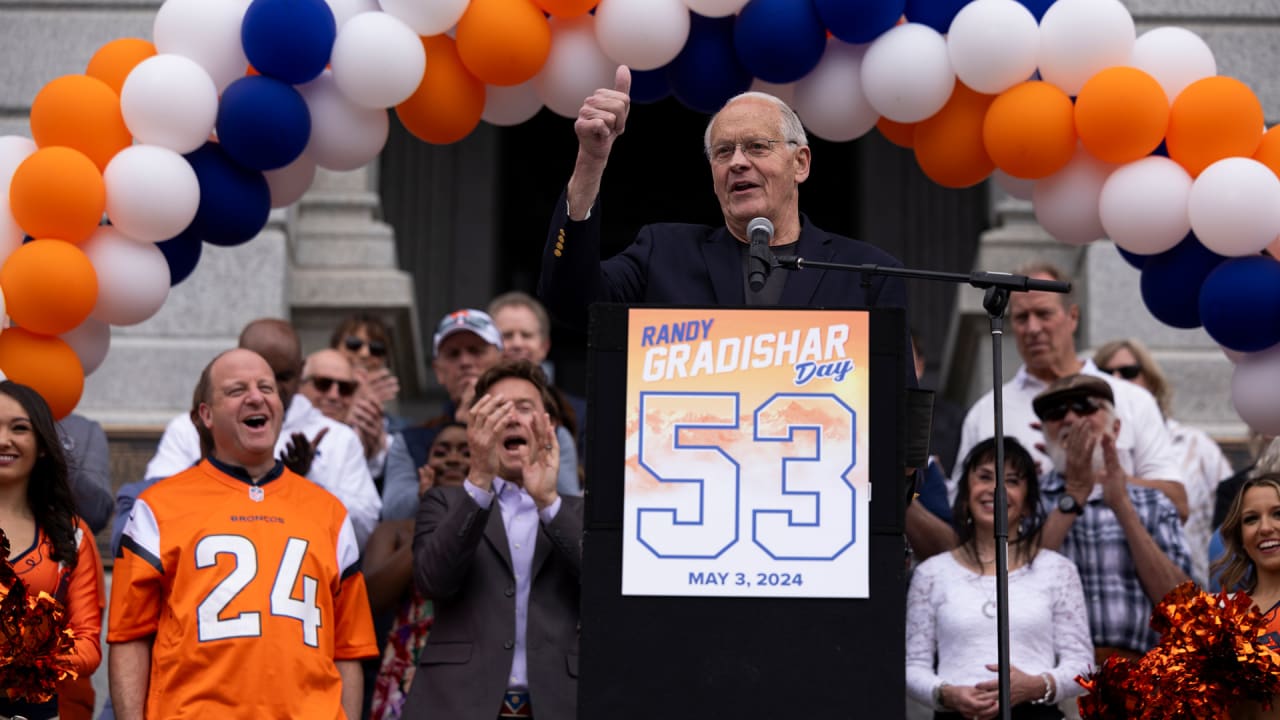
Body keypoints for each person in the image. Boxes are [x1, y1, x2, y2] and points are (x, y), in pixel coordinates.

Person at [538, 68, 914, 364]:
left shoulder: (867, 274)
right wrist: (591, 161)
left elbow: (899, 428)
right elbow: (571, 300)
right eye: (722, 152)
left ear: (800, 163)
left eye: (756, 147)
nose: (737, 162)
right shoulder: (664, 254)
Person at [108, 349, 379, 719]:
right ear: (205, 415)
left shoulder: (329, 512)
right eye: (236, 390)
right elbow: (129, 636)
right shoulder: (157, 507)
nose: (256, 397)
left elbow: (349, 649)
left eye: (266, 387)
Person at [404, 360, 582, 720]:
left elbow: (609, 587)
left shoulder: (579, 512)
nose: (511, 418)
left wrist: (548, 503)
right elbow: (433, 582)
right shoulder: (445, 501)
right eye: (497, 409)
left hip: (560, 704)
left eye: (525, 407)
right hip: (455, 704)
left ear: (550, 426)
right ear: (476, 428)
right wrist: (480, 480)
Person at [952, 263, 1187, 521]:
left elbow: (1177, 503)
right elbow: (961, 512)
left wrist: (1104, 480)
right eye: (1022, 318)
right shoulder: (988, 411)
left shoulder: (1131, 399)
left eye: (1043, 314)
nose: (1032, 328)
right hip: (1023, 557)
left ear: (1072, 317)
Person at [140, 318, 381, 546]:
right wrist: (213, 464)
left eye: (280, 378)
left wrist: (299, 484)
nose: (261, 395)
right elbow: (156, 514)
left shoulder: (337, 437)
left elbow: (362, 531)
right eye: (255, 375)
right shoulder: (190, 428)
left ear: (301, 370)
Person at [906, 436, 1092, 719]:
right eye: (984, 477)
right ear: (966, 495)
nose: (996, 490)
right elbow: (912, 665)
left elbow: (1083, 665)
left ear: (1028, 503)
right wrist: (946, 693)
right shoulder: (932, 573)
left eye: (1012, 481)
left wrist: (1037, 685)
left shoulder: (1058, 570)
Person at [1033, 374, 1192, 661]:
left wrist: (1122, 506)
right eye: (1055, 412)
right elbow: (1013, 589)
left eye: (1085, 406)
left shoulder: (1153, 502)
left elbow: (1183, 610)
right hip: (1051, 681)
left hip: (1140, 679)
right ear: (1044, 432)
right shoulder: (1028, 501)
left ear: (1116, 428)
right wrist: (1074, 496)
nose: (1070, 418)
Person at [382, 309, 579, 520]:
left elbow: (569, 509)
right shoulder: (409, 440)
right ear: (438, 371)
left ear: (502, 357)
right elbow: (394, 515)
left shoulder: (549, 434)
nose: (465, 362)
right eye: (453, 354)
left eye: (476, 350)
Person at [0, 381, 105, 720]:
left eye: (20, 428)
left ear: (43, 445)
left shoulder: (71, 534)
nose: (4, 440)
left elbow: (89, 646)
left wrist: (30, 658)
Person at [1093, 338, 1234, 587]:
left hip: (1194, 582)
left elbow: (1232, 517)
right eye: (1105, 373)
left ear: (1150, 380)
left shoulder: (1196, 446)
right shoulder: (1091, 452)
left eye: (1129, 372)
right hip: (1116, 586)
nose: (1117, 380)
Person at [367, 423, 469, 720]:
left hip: (476, 671)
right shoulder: (394, 531)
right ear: (425, 468)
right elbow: (371, 598)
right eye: (441, 452)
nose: (452, 459)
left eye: (467, 452)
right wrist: (429, 523)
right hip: (408, 670)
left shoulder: (500, 528)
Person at [489, 291, 584, 496]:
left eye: (526, 335)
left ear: (544, 346)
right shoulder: (463, 408)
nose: (516, 343)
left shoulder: (581, 415)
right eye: (506, 335)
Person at [1213, 473, 1280, 720]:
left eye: (1278, 514)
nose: (1265, 528)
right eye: (1251, 519)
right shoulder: (1218, 613)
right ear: (1240, 538)